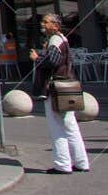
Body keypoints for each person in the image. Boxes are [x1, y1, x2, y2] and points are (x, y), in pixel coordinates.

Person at [28, 13, 89, 174]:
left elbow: (52, 61)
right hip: (66, 85)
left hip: (55, 88)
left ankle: (62, 164)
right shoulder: (62, 39)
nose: (43, 24)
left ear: (55, 25)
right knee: (70, 126)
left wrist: (37, 58)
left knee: (57, 126)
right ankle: (81, 162)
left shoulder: (55, 40)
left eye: (46, 22)